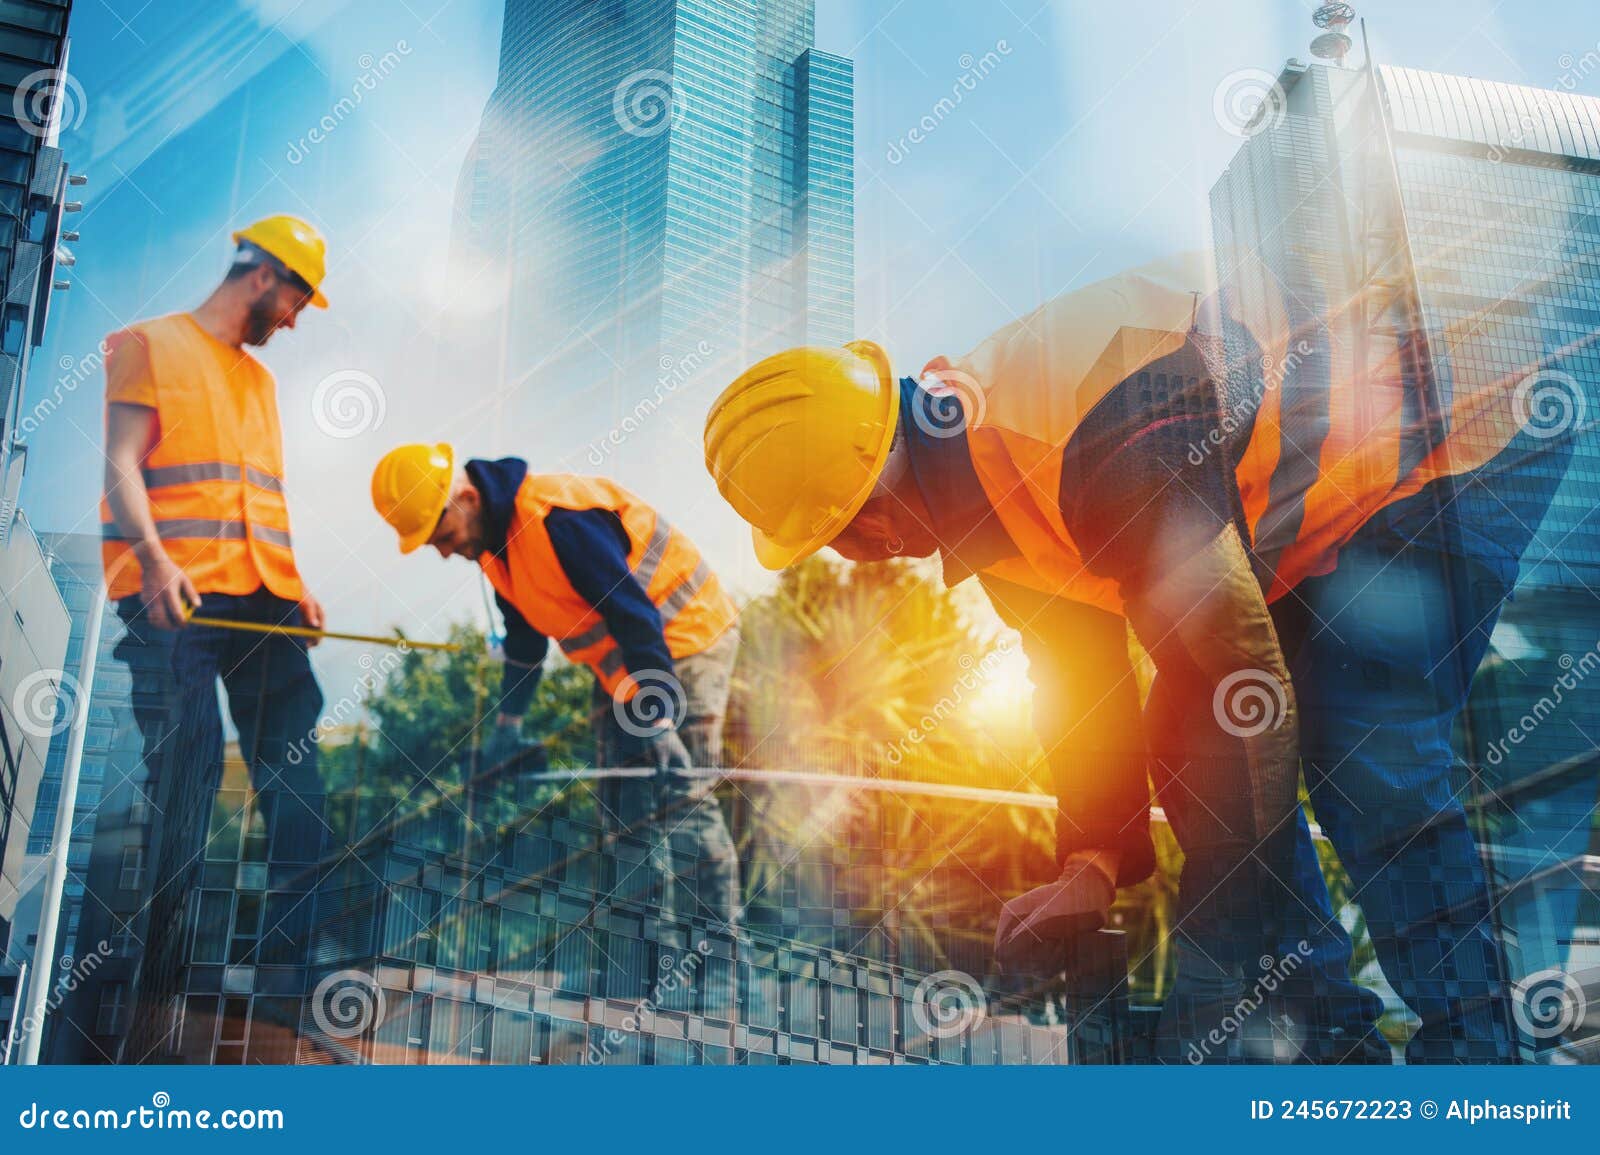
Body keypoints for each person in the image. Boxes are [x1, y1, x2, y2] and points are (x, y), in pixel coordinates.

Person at [703, 253, 1564, 1062]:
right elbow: (1082, 679)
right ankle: (1329, 1057)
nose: (853, 560)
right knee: (1196, 754)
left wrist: (1223, 949)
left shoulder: (1099, 444)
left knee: (1362, 740)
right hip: (1330, 498)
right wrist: (1095, 859)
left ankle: (1479, 1069)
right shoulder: (973, 480)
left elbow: (1237, 683)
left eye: (834, 539)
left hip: (1460, 426)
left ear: (872, 517)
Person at [101, 215, 331, 1054]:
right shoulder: (148, 344)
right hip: (174, 601)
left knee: (305, 800)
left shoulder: (261, 385)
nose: (299, 319)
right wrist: (155, 560)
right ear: (265, 277)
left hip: (262, 605)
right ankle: (155, 1020)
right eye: (301, 298)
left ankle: (275, 1012)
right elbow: (121, 463)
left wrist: (295, 587)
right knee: (185, 797)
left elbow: (262, 495)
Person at [370, 443, 743, 930]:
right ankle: (644, 973)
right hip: (626, 667)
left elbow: (633, 613)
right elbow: (525, 646)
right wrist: (507, 728)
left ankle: (720, 974)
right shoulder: (493, 551)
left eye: (442, 535)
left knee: (682, 800)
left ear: (468, 498)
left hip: (688, 639)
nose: (443, 552)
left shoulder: (555, 518)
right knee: (624, 814)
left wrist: (660, 716)